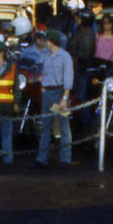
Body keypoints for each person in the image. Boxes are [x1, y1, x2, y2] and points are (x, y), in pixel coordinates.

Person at [36, 30, 75, 168]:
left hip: (59, 92)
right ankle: (42, 158)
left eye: (46, 40)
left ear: (51, 41)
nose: (44, 43)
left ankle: (65, 159)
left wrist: (65, 97)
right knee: (45, 126)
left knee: (64, 127)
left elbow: (68, 78)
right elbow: (40, 71)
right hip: (48, 92)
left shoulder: (65, 57)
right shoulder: (44, 56)